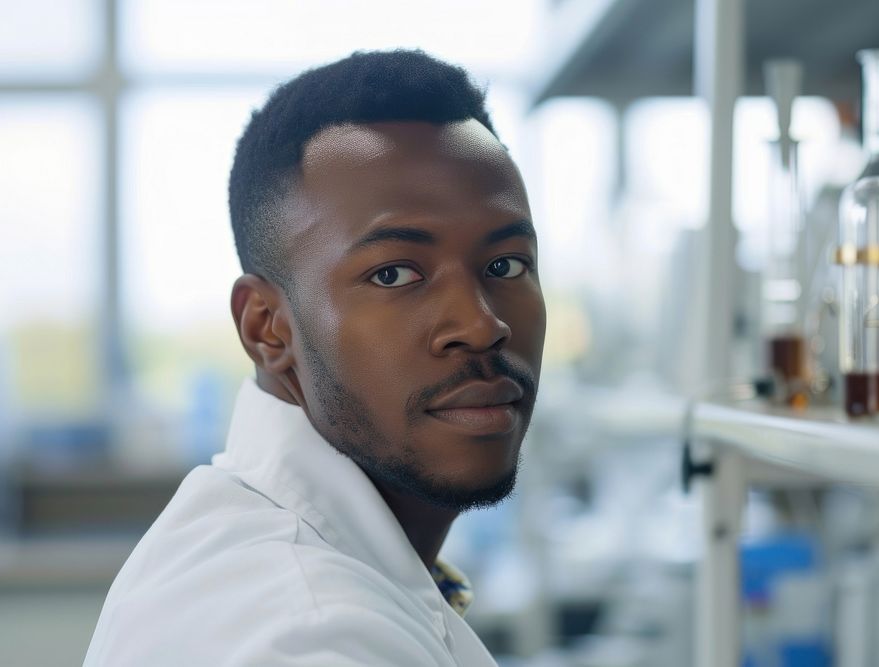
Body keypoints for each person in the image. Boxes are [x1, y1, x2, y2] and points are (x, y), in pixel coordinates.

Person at [84, 49, 546, 666]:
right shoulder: (310, 633)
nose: (481, 325)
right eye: (393, 274)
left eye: (506, 265)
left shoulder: (298, 551)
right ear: (266, 329)